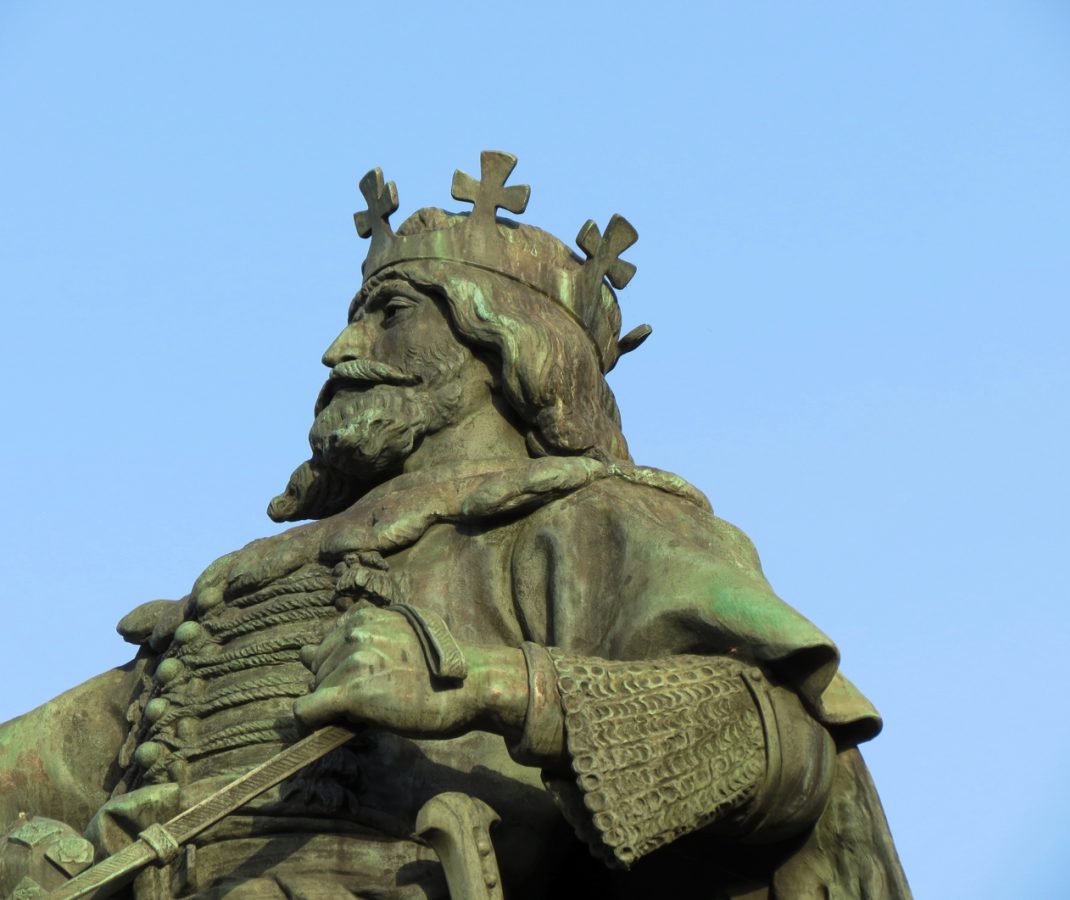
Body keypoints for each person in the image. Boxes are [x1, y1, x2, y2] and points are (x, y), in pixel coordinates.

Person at [0, 152, 910, 899]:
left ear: (506, 348)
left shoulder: (594, 523)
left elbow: (779, 745)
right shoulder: (241, 589)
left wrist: (483, 685)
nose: (340, 351)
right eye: (354, 319)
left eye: (390, 316)